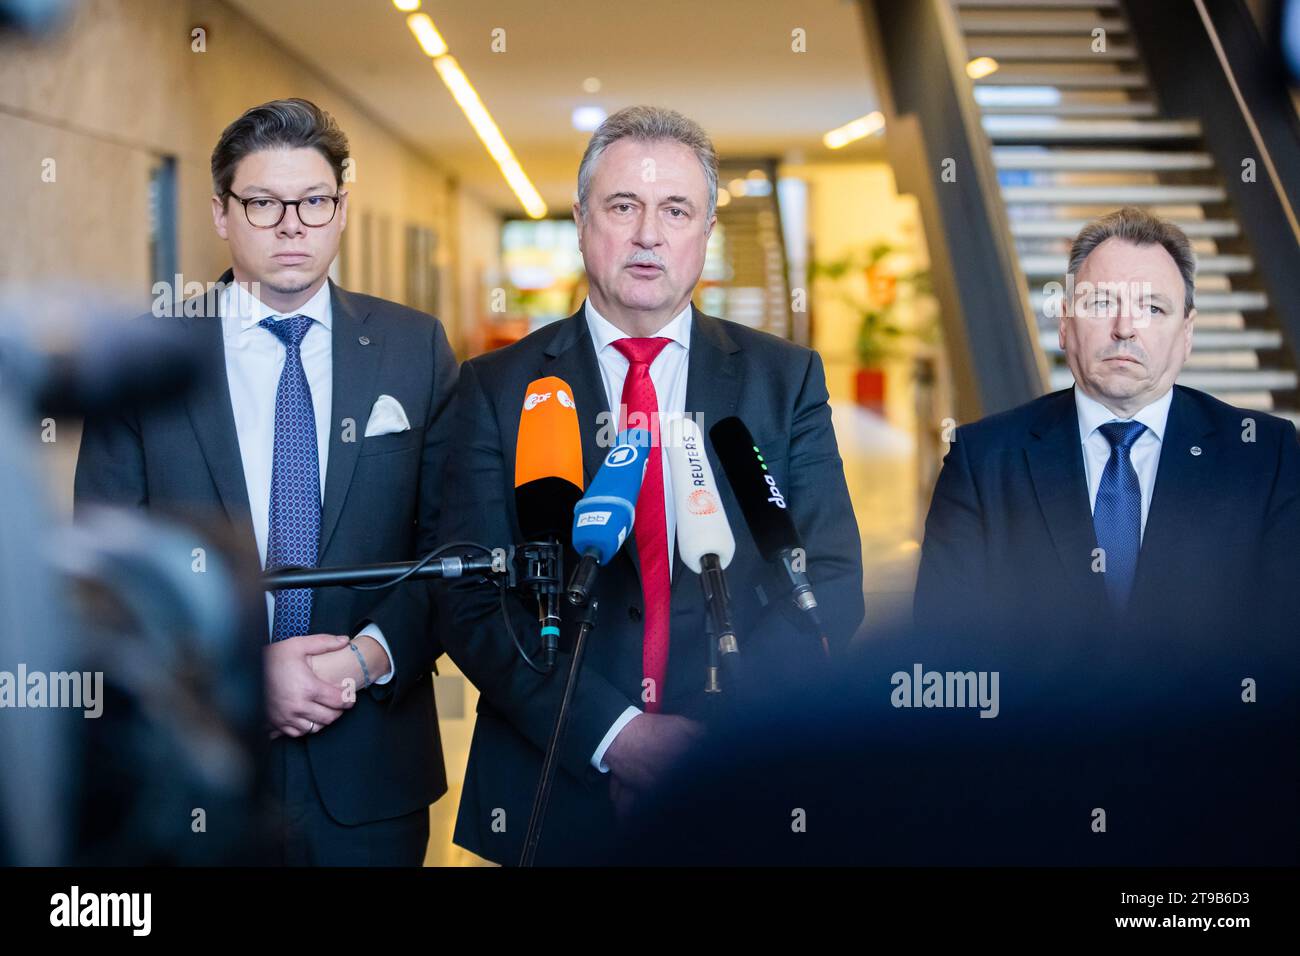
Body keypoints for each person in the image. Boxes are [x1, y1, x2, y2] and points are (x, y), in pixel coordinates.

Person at [436, 105, 864, 865]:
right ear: (580, 220)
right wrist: (616, 735)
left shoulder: (784, 379)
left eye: (676, 210)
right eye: (622, 205)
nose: (647, 234)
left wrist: (715, 738)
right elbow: (470, 598)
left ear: (704, 232)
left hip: (735, 780)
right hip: (554, 788)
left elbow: (828, 577)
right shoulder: (494, 388)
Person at [75, 98, 457, 865]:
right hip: (197, 772)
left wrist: (360, 660)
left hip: (371, 775)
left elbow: (452, 549)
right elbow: (108, 578)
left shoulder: (413, 350)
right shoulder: (145, 361)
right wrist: (242, 671)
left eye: (313, 201)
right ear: (221, 212)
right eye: (263, 202)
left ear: (341, 209)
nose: (291, 224)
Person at [914, 206, 1299, 657]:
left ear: (1187, 334)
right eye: (1100, 303)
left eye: (1152, 307)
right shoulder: (982, 460)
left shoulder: (1264, 456)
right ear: (1064, 323)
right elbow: (942, 646)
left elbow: (1283, 648)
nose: (1124, 329)